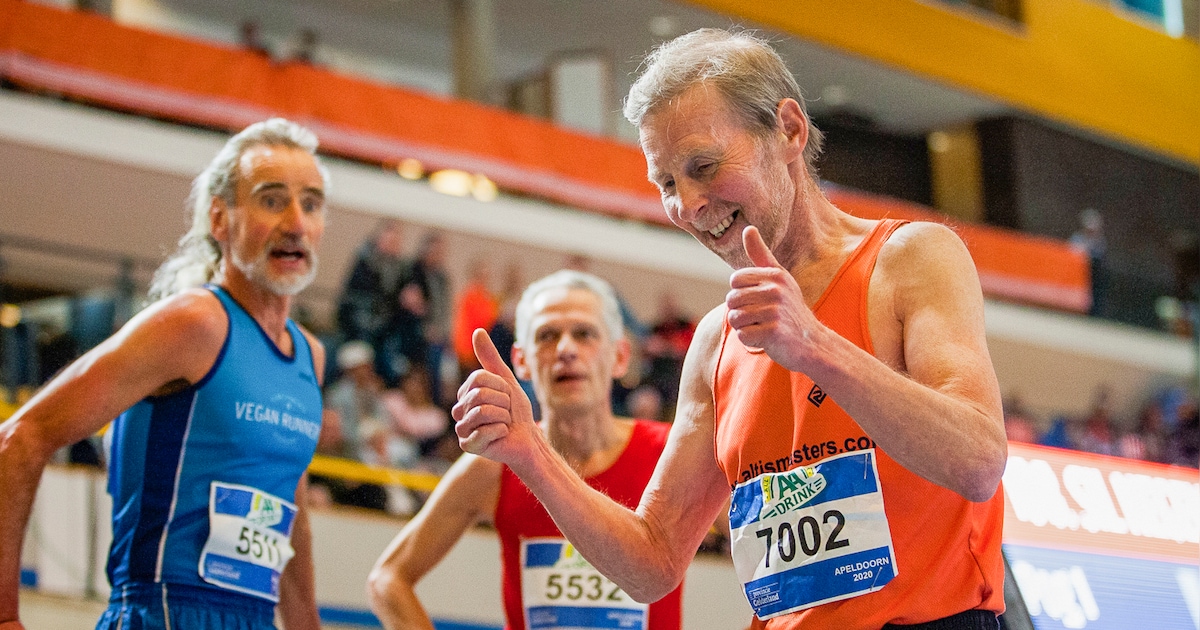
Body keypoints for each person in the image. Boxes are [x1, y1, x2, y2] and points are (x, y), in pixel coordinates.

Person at [453, 28, 1007, 629]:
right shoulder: (717, 343)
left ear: (788, 130)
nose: (688, 204)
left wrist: (815, 346)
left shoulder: (911, 259)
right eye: (668, 184)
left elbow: (979, 460)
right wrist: (531, 451)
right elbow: (653, 562)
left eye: (704, 166)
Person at [0, 118, 329, 630]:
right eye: (271, 200)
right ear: (219, 218)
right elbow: (21, 436)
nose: (296, 223)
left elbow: (289, 511)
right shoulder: (193, 323)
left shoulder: (310, 356)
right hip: (165, 613)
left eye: (310, 204)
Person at [367, 270, 683, 630]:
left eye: (584, 334)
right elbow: (388, 579)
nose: (565, 350)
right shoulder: (496, 464)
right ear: (521, 360)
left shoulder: (670, 454)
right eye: (547, 336)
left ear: (620, 356)